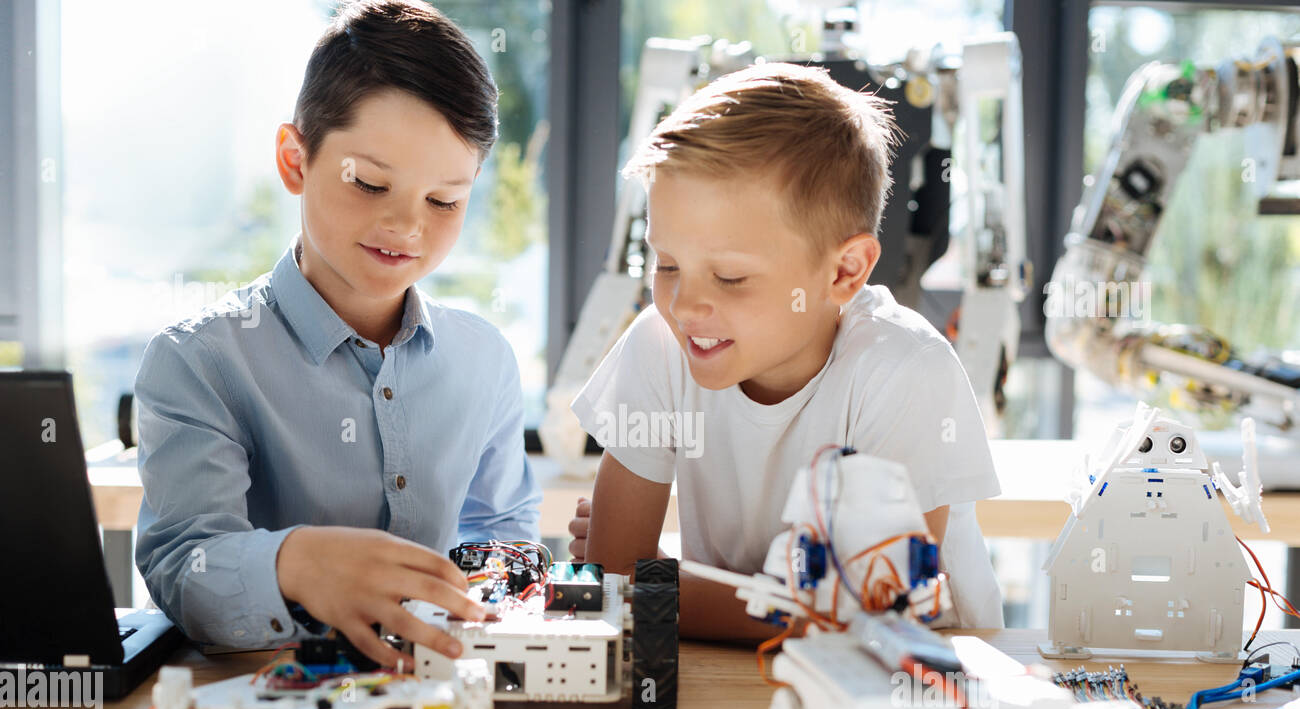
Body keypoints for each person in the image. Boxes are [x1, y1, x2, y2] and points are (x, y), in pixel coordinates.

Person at [134, 1, 540, 667]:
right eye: (370, 182)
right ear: (295, 160)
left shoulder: (485, 360)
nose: (407, 228)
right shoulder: (199, 361)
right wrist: (297, 563)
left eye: (444, 201)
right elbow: (183, 567)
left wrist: (493, 585)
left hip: (439, 701)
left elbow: (498, 530)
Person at [567, 62, 1004, 640]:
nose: (685, 304)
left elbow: (875, 618)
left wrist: (662, 580)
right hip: (737, 673)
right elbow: (613, 583)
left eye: (729, 277)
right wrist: (790, 607)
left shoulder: (904, 369)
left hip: (913, 696)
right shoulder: (659, 342)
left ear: (845, 271)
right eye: (667, 264)